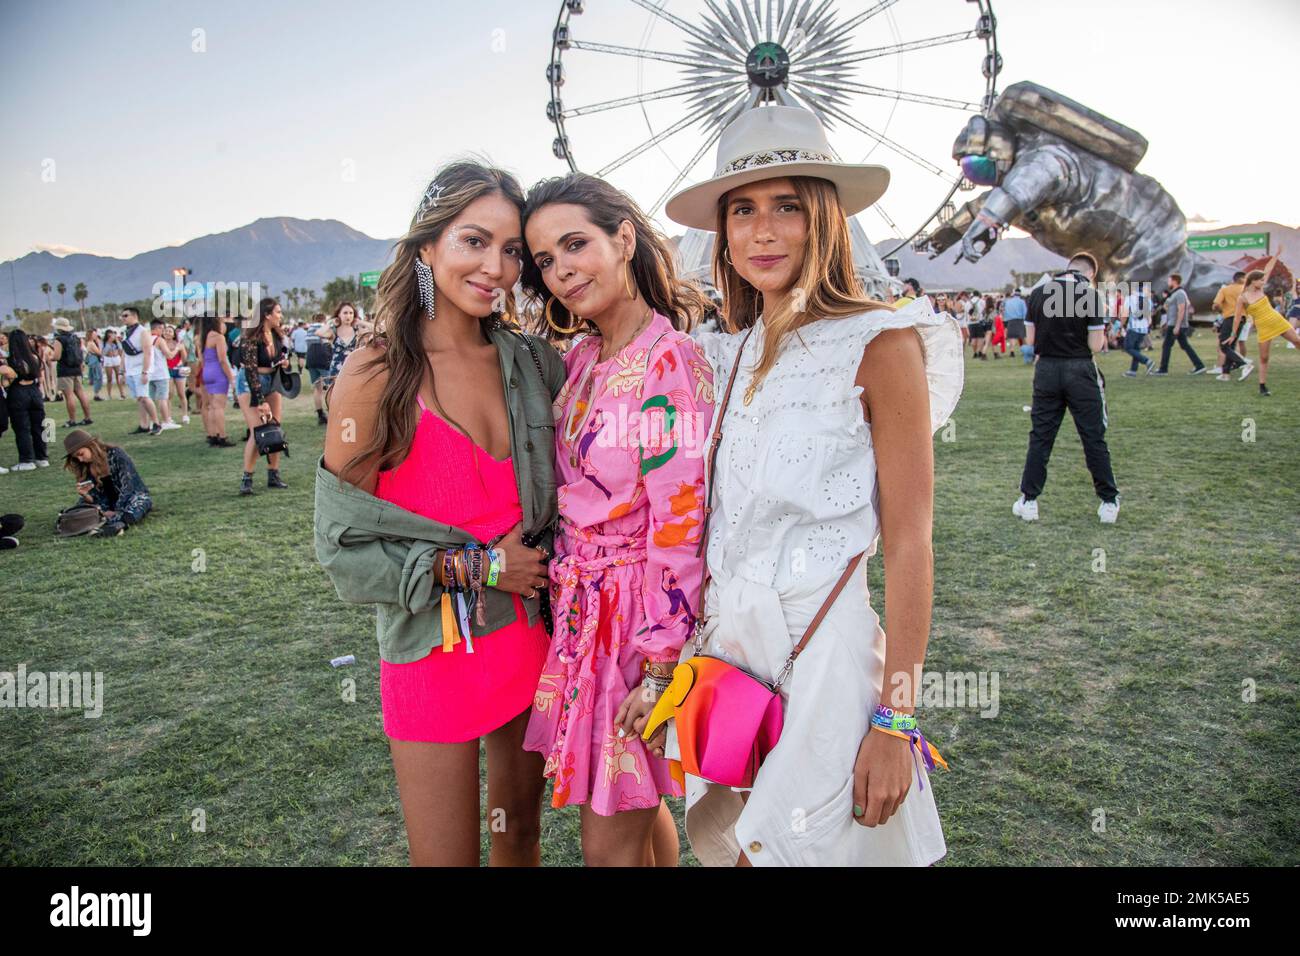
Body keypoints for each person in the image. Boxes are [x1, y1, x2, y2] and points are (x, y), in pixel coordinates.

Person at [661, 104, 960, 867]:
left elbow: (910, 539)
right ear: (722, 232)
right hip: (731, 658)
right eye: (743, 211)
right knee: (738, 851)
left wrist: (896, 721)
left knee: (803, 851)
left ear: (823, 217)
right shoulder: (726, 354)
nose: (763, 231)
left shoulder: (882, 343)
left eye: (787, 206)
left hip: (825, 657)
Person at [317, 161, 564, 867]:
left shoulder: (530, 363)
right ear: (427, 246)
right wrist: (483, 565)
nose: (496, 267)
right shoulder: (376, 375)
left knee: (520, 836)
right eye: (473, 242)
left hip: (529, 641)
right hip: (434, 653)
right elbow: (339, 547)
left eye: (513, 250)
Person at [521, 171, 714, 867]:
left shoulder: (672, 365)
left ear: (624, 238)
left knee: (609, 839)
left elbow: (681, 521)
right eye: (545, 260)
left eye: (575, 245)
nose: (561, 271)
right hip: (583, 617)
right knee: (635, 802)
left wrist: (661, 665)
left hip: (637, 626)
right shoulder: (581, 359)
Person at [1013, 252, 1119, 523]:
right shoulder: (1089, 295)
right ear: (1090, 274)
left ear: (1067, 267)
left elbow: (1030, 338)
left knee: (1041, 437)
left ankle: (1029, 499)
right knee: (1093, 436)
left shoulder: (1037, 294)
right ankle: (1108, 501)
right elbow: (1096, 345)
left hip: (1047, 369)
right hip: (1080, 370)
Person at [235, 298, 291, 493]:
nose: (280, 316)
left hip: (272, 381)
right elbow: (250, 370)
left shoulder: (277, 335)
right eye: (277, 312)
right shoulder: (251, 337)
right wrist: (259, 400)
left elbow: (281, 358)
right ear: (266, 315)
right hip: (250, 384)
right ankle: (247, 478)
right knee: (257, 430)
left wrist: (284, 363)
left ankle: (273, 474)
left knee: (274, 427)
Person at [1228, 259, 1300, 396]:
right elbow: (1237, 317)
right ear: (1253, 281)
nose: (1263, 282)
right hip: (1263, 327)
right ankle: (1262, 387)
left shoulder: (1260, 289)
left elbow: (1268, 269)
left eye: (1262, 280)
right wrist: (1233, 334)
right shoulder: (1242, 298)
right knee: (1264, 357)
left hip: (1277, 320)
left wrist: (1277, 255)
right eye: (1260, 280)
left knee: (1297, 340)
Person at [62, 429, 152, 537]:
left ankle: (120, 524)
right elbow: (95, 498)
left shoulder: (116, 455)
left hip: (129, 499)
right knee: (82, 507)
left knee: (141, 502)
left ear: (91, 446)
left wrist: (117, 512)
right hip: (106, 504)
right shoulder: (85, 466)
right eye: (76, 457)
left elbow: (128, 488)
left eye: (81, 454)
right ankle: (101, 521)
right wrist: (85, 494)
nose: (80, 460)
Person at [1, 329, 50, 470]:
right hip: (34, 392)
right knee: (39, 426)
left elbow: (7, 381)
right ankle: (42, 457)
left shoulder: (12, 360)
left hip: (18, 393)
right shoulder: (34, 357)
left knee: (22, 428)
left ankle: (27, 460)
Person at [1152, 273, 1206, 375]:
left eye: (1169, 281)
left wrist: (1177, 326)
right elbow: (1186, 304)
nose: (1168, 283)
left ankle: (1163, 369)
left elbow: (1181, 309)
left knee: (1166, 345)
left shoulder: (1180, 293)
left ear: (1174, 281)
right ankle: (1199, 365)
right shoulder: (1176, 293)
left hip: (1177, 325)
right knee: (1185, 345)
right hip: (1174, 323)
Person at [119, 308, 162, 435]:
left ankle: (156, 423)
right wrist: (122, 371)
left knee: (144, 397)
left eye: (125, 315)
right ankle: (144, 425)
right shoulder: (125, 332)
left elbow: (148, 352)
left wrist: (145, 371)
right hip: (131, 369)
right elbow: (124, 353)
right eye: (122, 316)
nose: (123, 318)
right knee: (139, 398)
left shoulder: (142, 332)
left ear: (134, 316)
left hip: (141, 369)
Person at [198, 314, 236, 446]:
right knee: (219, 407)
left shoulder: (202, 338)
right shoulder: (218, 337)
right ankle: (222, 436)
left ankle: (212, 435)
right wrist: (231, 378)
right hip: (218, 373)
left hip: (207, 372)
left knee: (212, 407)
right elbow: (222, 360)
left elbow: (201, 360)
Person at [51, 317, 93, 427]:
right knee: (81, 394)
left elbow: (57, 356)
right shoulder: (76, 338)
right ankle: (87, 417)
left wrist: (49, 358)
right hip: (76, 369)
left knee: (69, 396)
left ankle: (72, 420)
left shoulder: (59, 340)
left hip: (65, 370)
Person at [1118, 283, 1156, 376]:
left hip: (1134, 327)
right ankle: (1133, 371)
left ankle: (1147, 361)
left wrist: (1121, 325)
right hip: (1143, 328)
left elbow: (1125, 314)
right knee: (1136, 349)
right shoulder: (1148, 300)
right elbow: (1150, 315)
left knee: (1128, 347)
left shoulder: (1130, 298)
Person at [303, 313, 333, 425]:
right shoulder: (324, 328)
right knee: (330, 386)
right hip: (323, 357)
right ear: (324, 320)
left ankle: (320, 414)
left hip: (310, 358)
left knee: (317, 387)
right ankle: (333, 413)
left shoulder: (309, 329)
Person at [161, 323, 191, 424]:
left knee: (181, 393)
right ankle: (168, 416)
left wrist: (181, 349)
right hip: (166, 370)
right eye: (165, 331)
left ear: (174, 334)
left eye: (170, 331)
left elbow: (184, 359)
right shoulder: (161, 343)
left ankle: (185, 415)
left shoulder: (179, 344)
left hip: (179, 369)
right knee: (169, 394)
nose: (167, 333)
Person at [1003, 287, 1030, 362]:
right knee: (1023, 336)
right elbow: (1025, 312)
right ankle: (1026, 351)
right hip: (1020, 320)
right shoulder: (1022, 301)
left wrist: (1006, 320)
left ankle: (1012, 351)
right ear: (1020, 294)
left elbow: (1006, 312)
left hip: (1010, 320)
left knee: (1012, 337)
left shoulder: (1008, 302)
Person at [101, 330, 126, 399]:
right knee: (109, 378)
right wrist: (109, 343)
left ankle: (122, 394)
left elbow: (120, 349)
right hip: (108, 359)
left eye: (112, 335)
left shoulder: (116, 342)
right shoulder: (104, 343)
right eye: (109, 335)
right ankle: (109, 395)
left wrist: (117, 341)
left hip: (116, 359)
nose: (111, 337)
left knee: (119, 376)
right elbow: (103, 352)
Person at [84, 329, 105, 401]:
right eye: (94, 334)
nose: (96, 336)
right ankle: (96, 394)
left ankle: (97, 393)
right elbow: (99, 352)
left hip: (92, 361)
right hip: (95, 361)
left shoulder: (89, 343)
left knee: (97, 377)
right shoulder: (91, 343)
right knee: (98, 377)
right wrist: (99, 345)